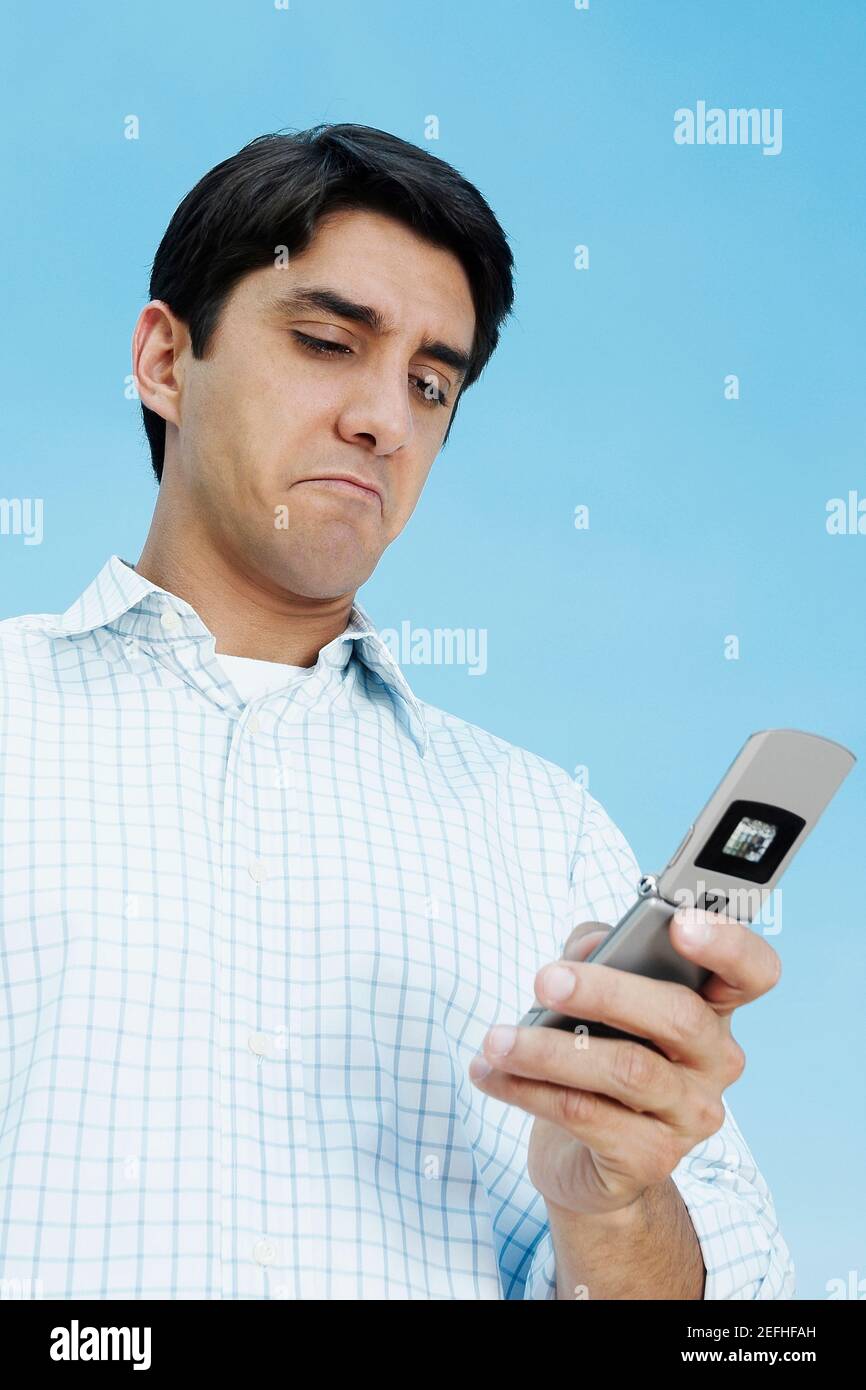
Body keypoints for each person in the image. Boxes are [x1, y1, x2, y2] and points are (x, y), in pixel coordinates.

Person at [0, 124, 794, 1299]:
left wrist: (614, 1204)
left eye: (431, 383)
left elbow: (739, 1326)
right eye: (326, 342)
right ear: (164, 362)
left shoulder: (544, 829)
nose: (385, 418)